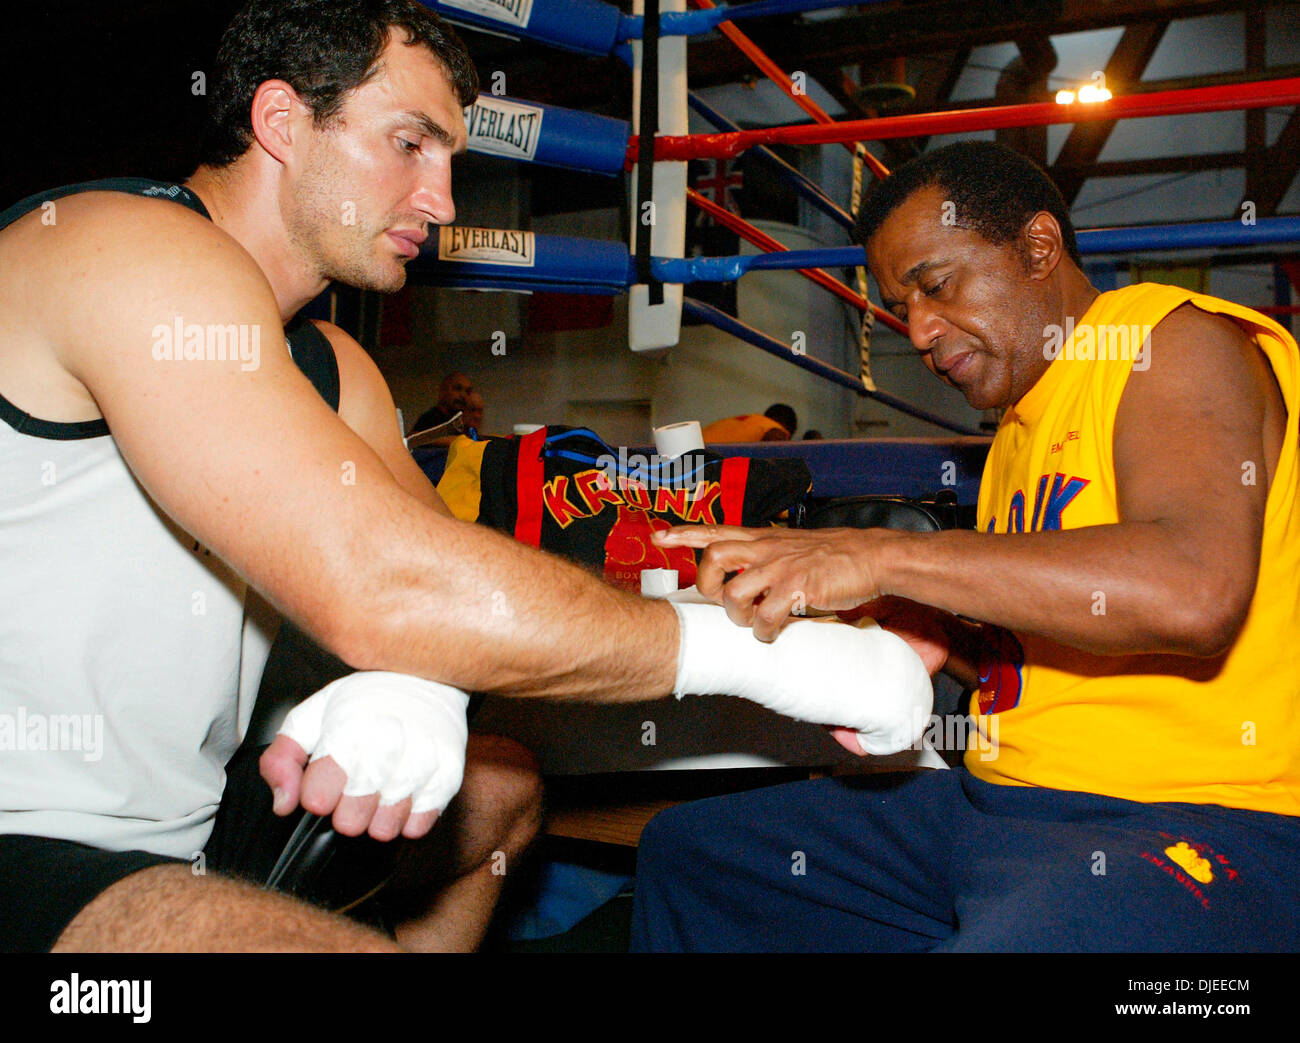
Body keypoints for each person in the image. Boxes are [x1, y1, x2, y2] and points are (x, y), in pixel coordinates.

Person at [0, 0, 925, 953]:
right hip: (23, 835)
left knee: (498, 788)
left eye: (450, 159)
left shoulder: (333, 367)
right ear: (281, 123)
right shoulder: (119, 247)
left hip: (185, 827)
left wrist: (424, 688)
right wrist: (776, 660)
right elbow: (384, 585)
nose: (443, 202)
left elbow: (439, 573)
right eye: (410, 144)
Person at [633, 141, 1300, 952]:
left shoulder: (1165, 340)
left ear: (1037, 248)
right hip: (996, 804)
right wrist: (926, 626)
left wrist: (882, 555)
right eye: (897, 306)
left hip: (1190, 817)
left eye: (935, 286)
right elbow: (1043, 651)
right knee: (695, 855)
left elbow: (1191, 592)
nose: (916, 329)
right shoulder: (1015, 432)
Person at [702, 402, 797, 442]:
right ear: (788, 427)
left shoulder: (752, 421)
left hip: (692, 457)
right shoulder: (775, 430)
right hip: (700, 465)